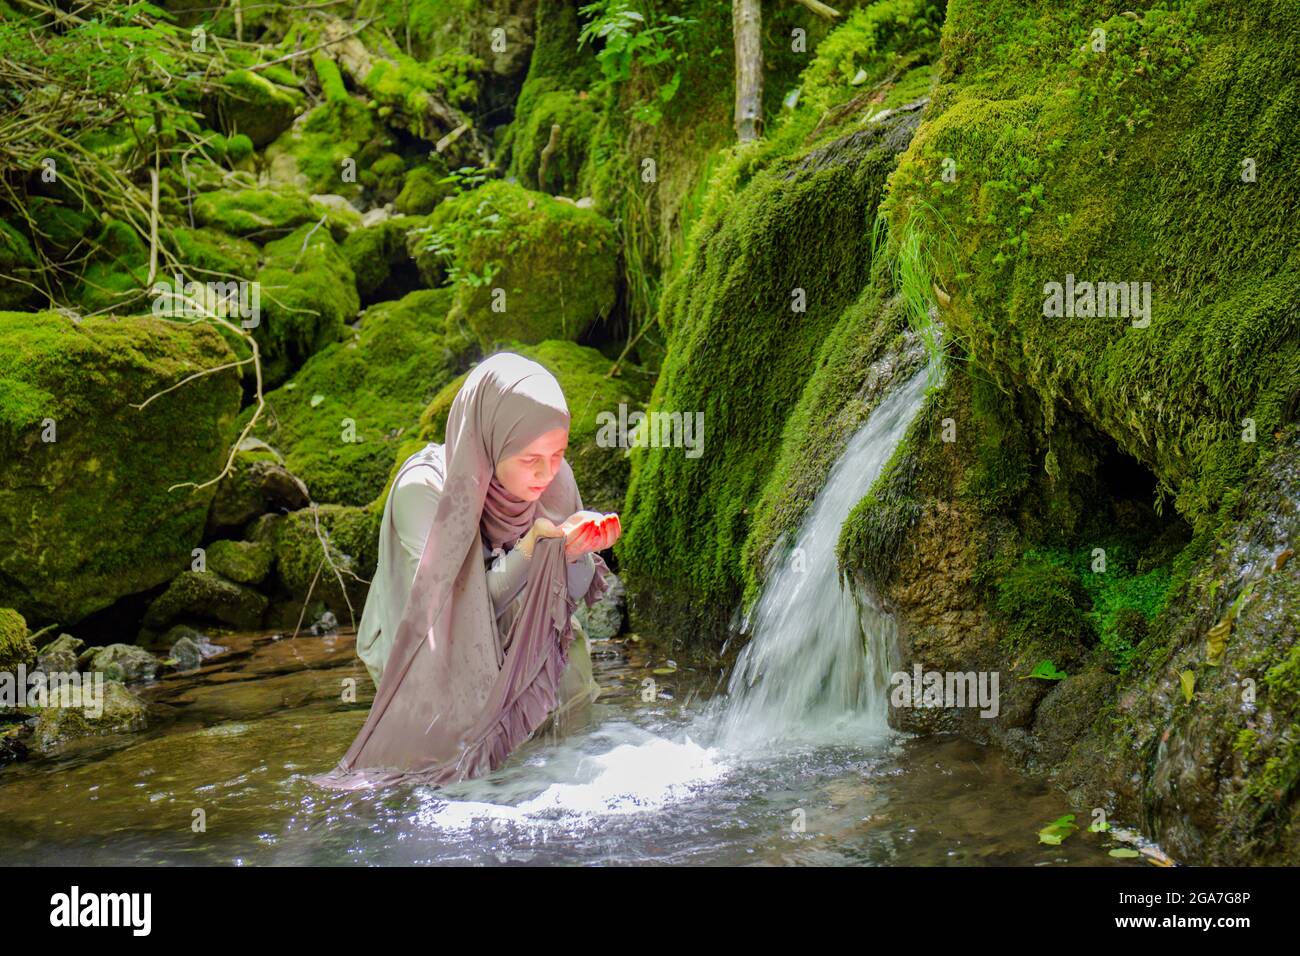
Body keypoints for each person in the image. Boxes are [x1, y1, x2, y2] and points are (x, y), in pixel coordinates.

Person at [310, 352, 621, 791]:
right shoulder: (424, 492)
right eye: (531, 457)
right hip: (434, 646)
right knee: (446, 773)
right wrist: (532, 549)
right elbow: (456, 613)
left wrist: (574, 553)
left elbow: (565, 601)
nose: (546, 471)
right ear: (492, 441)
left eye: (558, 452)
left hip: (519, 636)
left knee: (568, 726)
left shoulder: (555, 478)